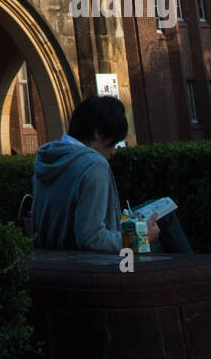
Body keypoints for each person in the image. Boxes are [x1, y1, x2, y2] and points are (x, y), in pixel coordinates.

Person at [32, 95, 192, 254]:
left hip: (57, 256)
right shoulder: (94, 165)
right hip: (97, 263)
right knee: (166, 219)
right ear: (97, 133)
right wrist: (141, 237)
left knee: (158, 209)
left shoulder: (49, 158)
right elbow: (91, 238)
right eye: (114, 143)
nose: (114, 152)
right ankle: (193, 273)